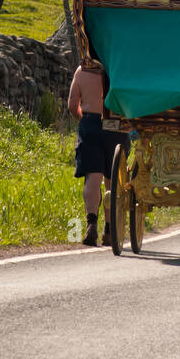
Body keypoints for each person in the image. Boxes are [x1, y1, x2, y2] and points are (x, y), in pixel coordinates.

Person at [68, 61, 114, 246]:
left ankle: (91, 224)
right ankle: (109, 229)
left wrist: (84, 120)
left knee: (93, 176)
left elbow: (72, 105)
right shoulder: (115, 68)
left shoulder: (82, 71)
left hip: (90, 123)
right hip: (115, 124)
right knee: (112, 177)